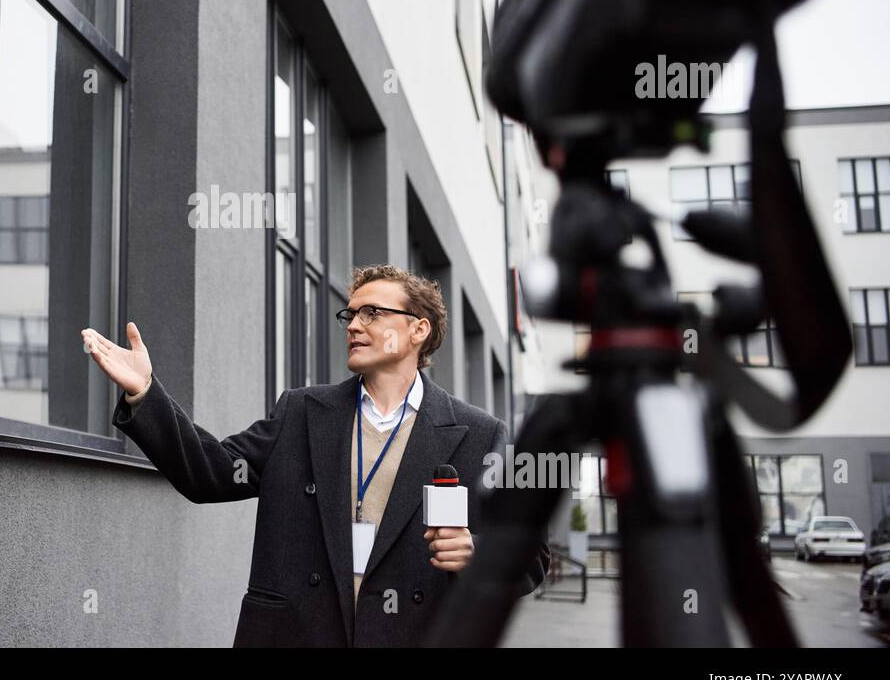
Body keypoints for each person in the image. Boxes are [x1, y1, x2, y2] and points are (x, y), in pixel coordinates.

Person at [81, 263, 549, 646]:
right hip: (296, 635)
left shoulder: (481, 435)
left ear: (417, 330)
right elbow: (212, 474)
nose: (355, 326)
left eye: (372, 313)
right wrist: (146, 394)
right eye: (350, 316)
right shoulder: (302, 412)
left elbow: (532, 559)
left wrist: (477, 551)